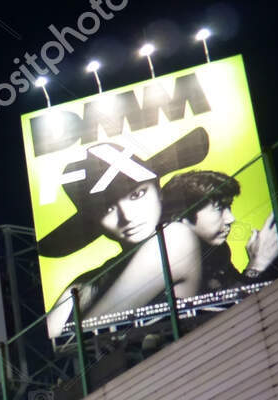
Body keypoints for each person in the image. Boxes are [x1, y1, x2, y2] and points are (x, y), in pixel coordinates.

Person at [42, 127, 211, 338]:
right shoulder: (87, 283)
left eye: (137, 194)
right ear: (95, 222)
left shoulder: (173, 238)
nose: (127, 216)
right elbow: (55, 347)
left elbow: (84, 337)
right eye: (108, 209)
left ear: (158, 191)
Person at [161, 169, 278, 292]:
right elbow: (224, 309)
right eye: (218, 208)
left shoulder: (219, 251)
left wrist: (258, 260)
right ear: (181, 217)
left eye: (229, 206)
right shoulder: (170, 263)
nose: (231, 219)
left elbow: (235, 294)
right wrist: (257, 264)